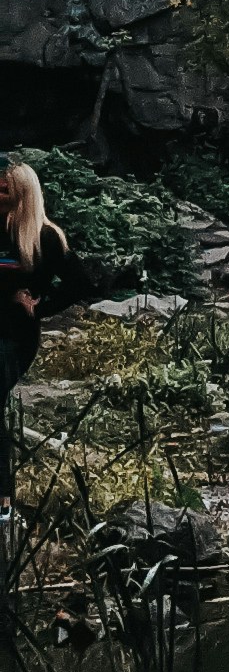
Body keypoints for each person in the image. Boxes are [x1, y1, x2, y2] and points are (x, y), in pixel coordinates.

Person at [0, 156, 89, 529]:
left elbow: (81, 284)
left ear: (23, 194)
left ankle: (3, 498)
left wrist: (40, 306)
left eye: (4, 188)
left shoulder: (44, 237)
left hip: (14, 338)